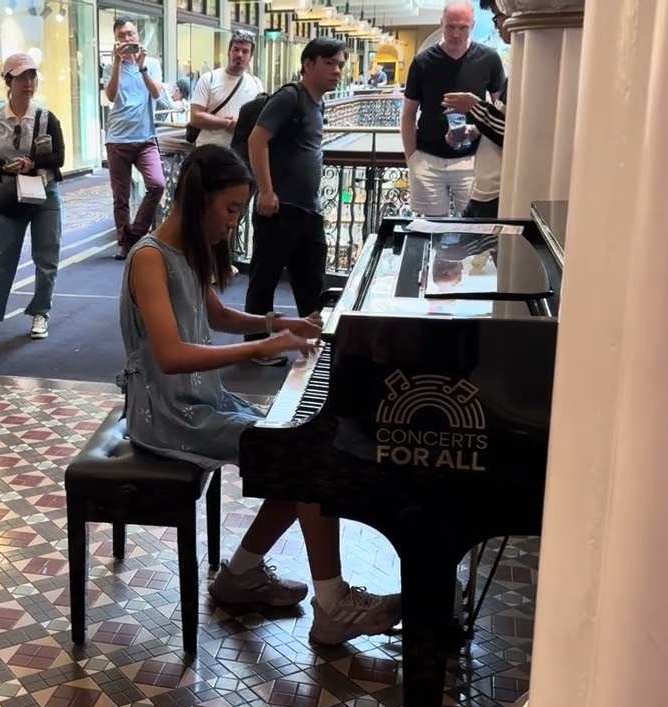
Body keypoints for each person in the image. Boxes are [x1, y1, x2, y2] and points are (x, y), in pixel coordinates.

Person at [119, 144, 402, 646]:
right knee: (302, 455)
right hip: (166, 413)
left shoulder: (186, 252)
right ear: (199, 199)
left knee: (293, 451)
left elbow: (220, 317)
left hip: (200, 399)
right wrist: (263, 348)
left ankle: (242, 574)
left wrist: (281, 322)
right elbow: (171, 356)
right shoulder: (149, 258)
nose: (233, 223)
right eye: (229, 210)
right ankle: (332, 604)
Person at [243, 37, 346, 366]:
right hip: (280, 208)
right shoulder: (290, 97)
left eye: (340, 64)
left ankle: (312, 338)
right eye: (329, 63)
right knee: (265, 279)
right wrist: (267, 190)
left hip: (308, 210)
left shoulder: (318, 104)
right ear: (309, 64)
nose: (337, 70)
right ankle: (257, 346)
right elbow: (257, 138)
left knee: (311, 281)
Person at [0, 53, 64, 340]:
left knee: (47, 255)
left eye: (32, 76)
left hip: (45, 192)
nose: (28, 83)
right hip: (10, 194)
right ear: (8, 80)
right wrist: (9, 167)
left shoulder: (46, 116)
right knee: (1, 255)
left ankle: (41, 311)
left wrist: (34, 163)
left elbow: (59, 157)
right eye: (21, 77)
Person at [400, 0, 506, 216]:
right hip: (427, 158)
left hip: (471, 160)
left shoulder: (489, 59)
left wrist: (476, 131)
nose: (456, 34)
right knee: (430, 229)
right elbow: (408, 114)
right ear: (441, 24)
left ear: (473, 26)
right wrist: (412, 158)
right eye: (451, 26)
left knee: (471, 228)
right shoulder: (423, 61)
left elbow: (500, 110)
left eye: (463, 27)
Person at [102, 17, 164, 260]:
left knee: (157, 185)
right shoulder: (110, 66)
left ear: (137, 37)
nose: (127, 39)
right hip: (118, 139)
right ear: (117, 40)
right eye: (121, 35)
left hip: (145, 138)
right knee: (121, 196)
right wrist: (117, 62)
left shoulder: (152, 64)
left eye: (130, 34)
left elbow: (156, 93)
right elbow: (111, 95)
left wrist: (142, 66)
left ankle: (135, 234)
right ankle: (123, 243)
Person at [443, 0, 511, 218]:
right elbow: (505, 120)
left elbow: (516, 135)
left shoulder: (498, 60)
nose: (497, 26)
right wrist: (477, 131)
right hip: (487, 188)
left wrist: (473, 106)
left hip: (498, 191)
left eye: (497, 16)